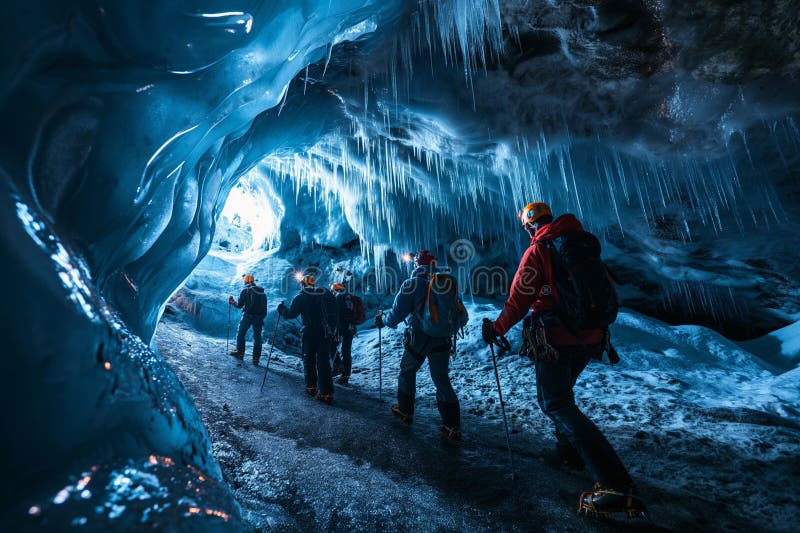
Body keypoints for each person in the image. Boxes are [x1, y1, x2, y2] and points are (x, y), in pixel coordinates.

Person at [481, 202, 644, 517]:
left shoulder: (539, 251)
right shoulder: (581, 245)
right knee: (562, 395)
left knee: (554, 402)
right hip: (590, 338)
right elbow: (608, 292)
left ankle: (615, 484)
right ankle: (567, 454)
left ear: (531, 225)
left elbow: (519, 299)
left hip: (556, 339)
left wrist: (496, 328)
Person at [376, 250, 468, 442]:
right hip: (442, 339)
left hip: (418, 338)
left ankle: (405, 411)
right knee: (441, 379)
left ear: (416, 264)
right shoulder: (445, 283)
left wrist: (383, 319)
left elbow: (395, 316)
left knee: (407, 371)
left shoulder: (412, 283)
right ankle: (452, 424)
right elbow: (460, 315)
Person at [278, 274, 338, 404]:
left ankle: (311, 386)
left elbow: (291, 314)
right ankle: (327, 393)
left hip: (309, 332)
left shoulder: (300, 297)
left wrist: (281, 309)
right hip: (324, 332)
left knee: (309, 358)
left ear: (303, 284)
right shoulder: (323, 295)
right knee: (323, 362)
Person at [228, 274, 267, 365]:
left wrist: (232, 301)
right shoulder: (262, 292)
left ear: (246, 282)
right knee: (257, 338)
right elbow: (265, 307)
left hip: (248, 316)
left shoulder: (245, 291)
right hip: (259, 317)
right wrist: (261, 317)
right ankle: (256, 359)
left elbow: (239, 305)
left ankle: (240, 353)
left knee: (241, 334)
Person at [331, 282, 365, 385]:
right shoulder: (350, 298)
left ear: (335, 290)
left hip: (341, 327)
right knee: (346, 350)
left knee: (331, 346)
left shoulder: (338, 298)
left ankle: (338, 366)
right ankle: (345, 375)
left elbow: (336, 314)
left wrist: (334, 328)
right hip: (350, 328)